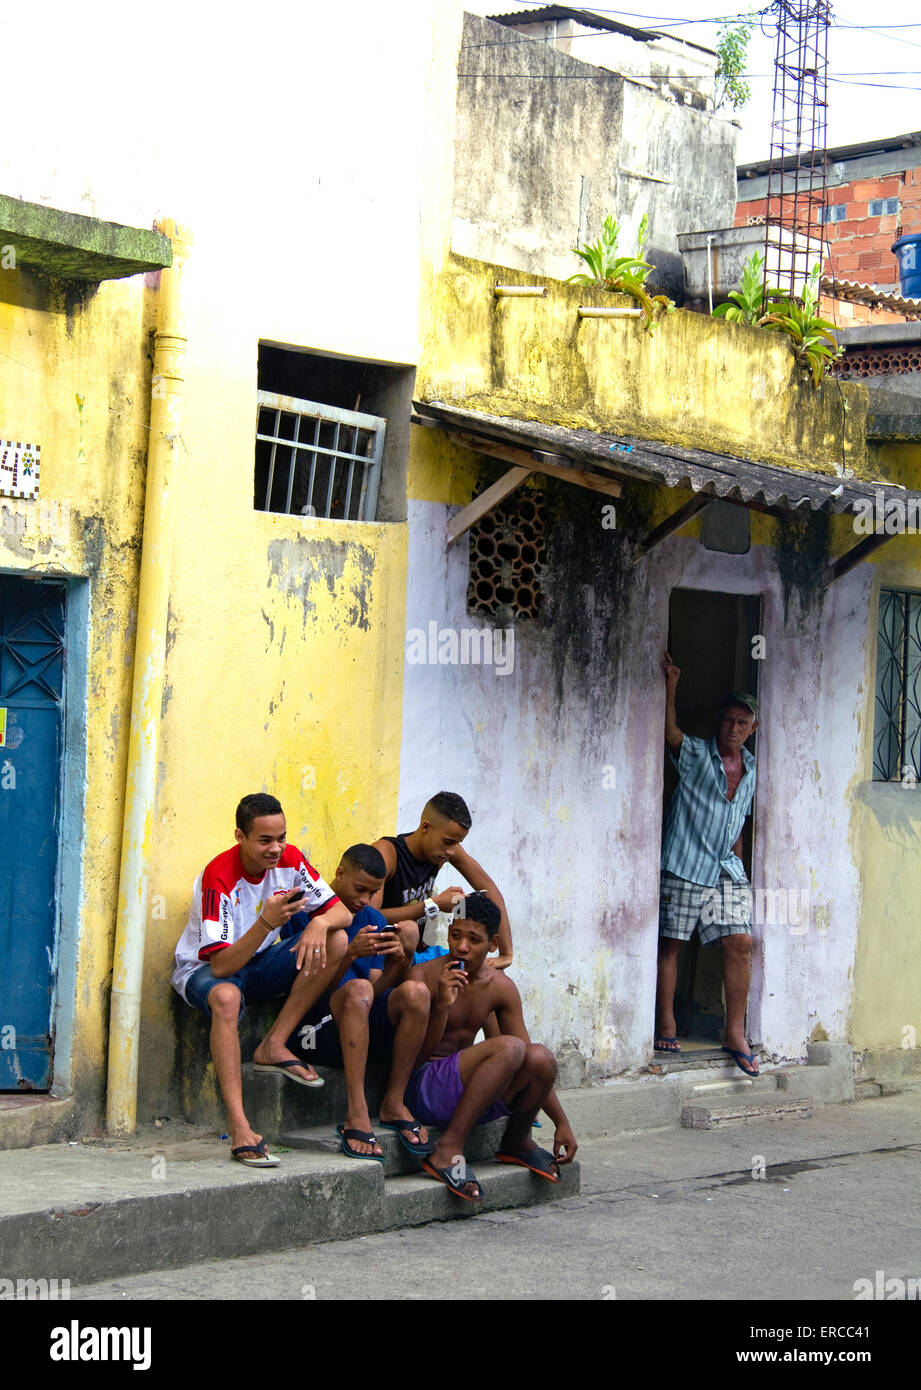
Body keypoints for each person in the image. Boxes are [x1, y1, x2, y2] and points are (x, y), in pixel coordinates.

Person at [172, 793, 352, 1167]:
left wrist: (319, 921)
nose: (276, 849)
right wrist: (268, 922)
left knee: (336, 938)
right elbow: (221, 966)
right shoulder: (218, 875)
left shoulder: (291, 859)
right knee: (226, 998)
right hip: (205, 971)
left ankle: (273, 1044)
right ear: (240, 836)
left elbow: (343, 914)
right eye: (265, 840)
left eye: (281, 837)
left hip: (258, 963)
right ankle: (240, 1127)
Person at [406, 891, 577, 1204]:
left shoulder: (500, 988)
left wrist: (561, 1122)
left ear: (493, 944)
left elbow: (529, 1055)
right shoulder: (424, 976)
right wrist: (442, 1006)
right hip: (424, 1087)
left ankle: (517, 1139)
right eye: (455, 935)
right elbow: (410, 1059)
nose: (461, 947)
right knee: (509, 1048)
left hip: (468, 1090)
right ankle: (448, 1149)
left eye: (474, 940)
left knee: (540, 1057)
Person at [285, 844, 434, 1161]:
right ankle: (357, 1112)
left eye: (374, 891)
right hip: (313, 1027)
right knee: (356, 989)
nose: (364, 899)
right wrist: (350, 953)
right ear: (339, 874)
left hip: (357, 1019)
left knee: (416, 991)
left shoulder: (372, 918)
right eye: (359, 889)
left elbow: (375, 991)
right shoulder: (304, 914)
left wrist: (401, 960)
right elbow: (308, 990)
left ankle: (394, 1102)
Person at [655, 653, 760, 1076]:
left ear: (753, 728)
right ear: (720, 723)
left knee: (741, 942)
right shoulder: (697, 754)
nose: (734, 729)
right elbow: (671, 733)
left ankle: (735, 1032)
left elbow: (738, 821)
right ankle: (666, 1023)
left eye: (743, 723)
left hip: (724, 868)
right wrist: (672, 688)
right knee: (672, 944)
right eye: (729, 721)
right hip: (683, 861)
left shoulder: (750, 768)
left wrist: (737, 861)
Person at [372, 790, 513, 969]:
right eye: (448, 842)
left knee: (485, 970)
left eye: (457, 843)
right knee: (409, 931)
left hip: (417, 952)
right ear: (425, 827)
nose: (452, 851)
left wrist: (506, 955)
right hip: (383, 953)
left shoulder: (442, 851)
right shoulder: (388, 854)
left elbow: (489, 889)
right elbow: (368, 917)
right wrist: (432, 905)